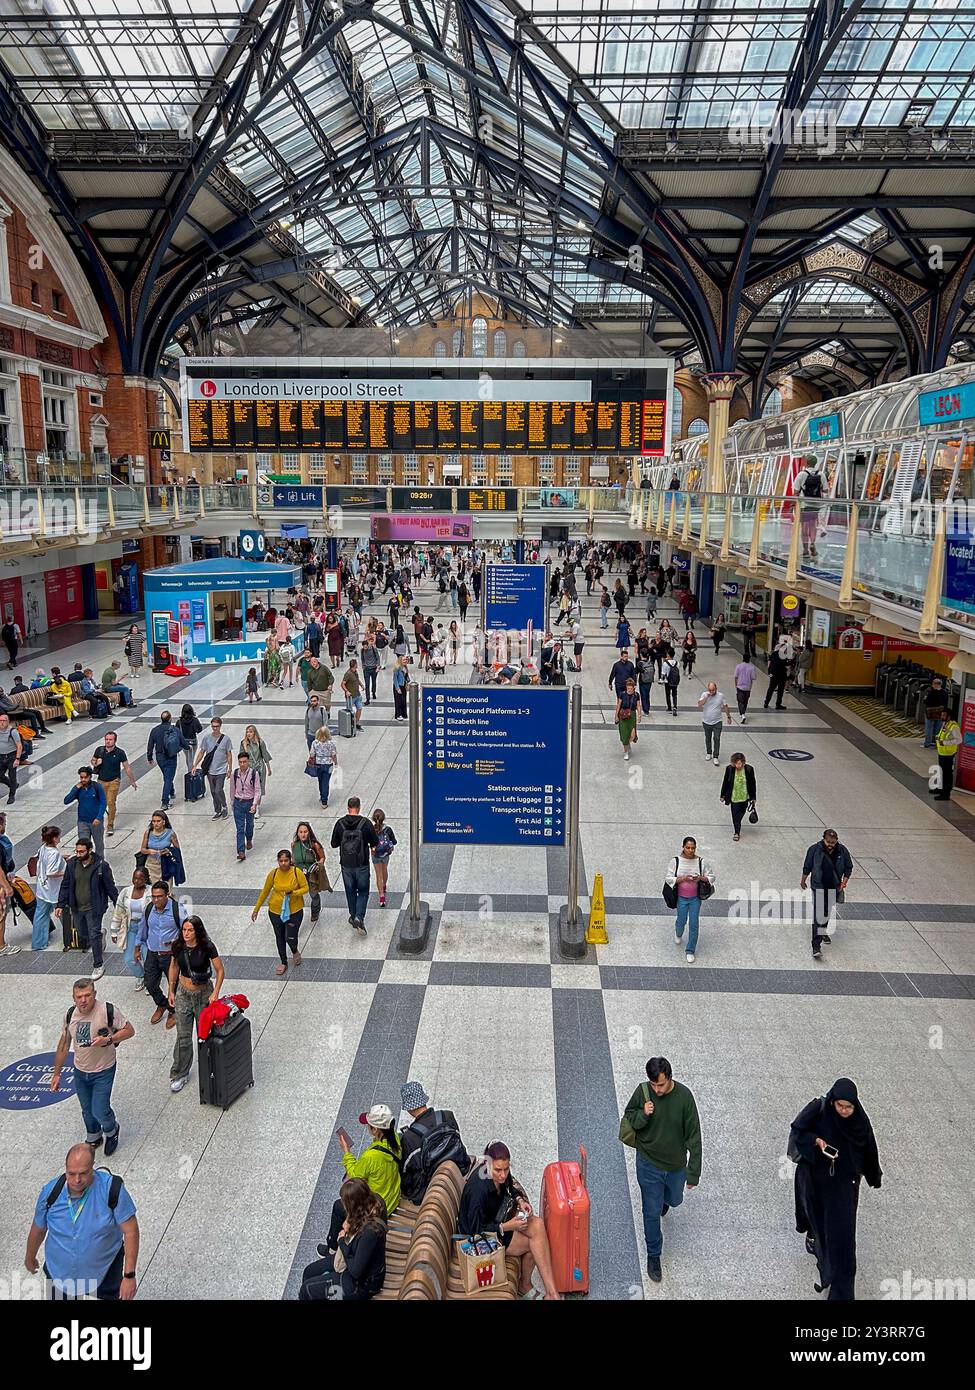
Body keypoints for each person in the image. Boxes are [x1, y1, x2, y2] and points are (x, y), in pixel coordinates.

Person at [789, 1078, 882, 1300]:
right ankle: (814, 1239)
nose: (843, 1110)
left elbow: (869, 1148)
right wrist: (817, 1141)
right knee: (816, 1217)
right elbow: (798, 1131)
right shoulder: (819, 1109)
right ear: (832, 1102)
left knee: (843, 1239)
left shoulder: (860, 1123)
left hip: (844, 1187)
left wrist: (873, 1175)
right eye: (840, 1105)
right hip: (815, 1180)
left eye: (848, 1106)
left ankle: (841, 1292)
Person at [622, 1056, 702, 1284]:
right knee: (651, 1210)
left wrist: (693, 1171)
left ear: (670, 1077)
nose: (657, 1090)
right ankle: (654, 1255)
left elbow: (694, 1136)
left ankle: (666, 1201)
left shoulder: (684, 1098)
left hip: (675, 1166)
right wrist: (643, 1114)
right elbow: (630, 1120)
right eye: (653, 1084)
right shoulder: (643, 1092)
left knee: (675, 1199)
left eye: (661, 1084)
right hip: (648, 1162)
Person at [26, 1144, 139, 1301]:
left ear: (93, 1168)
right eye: (71, 1174)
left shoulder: (111, 1190)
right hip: (60, 1273)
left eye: (83, 1173)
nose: (77, 1180)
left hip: (104, 1272)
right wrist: (30, 1256)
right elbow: (38, 1228)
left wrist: (129, 1276)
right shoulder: (50, 1193)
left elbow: (131, 1231)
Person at [458, 1141, 562, 1300]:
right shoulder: (478, 1190)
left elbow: (510, 1187)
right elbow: (476, 1230)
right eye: (498, 1170)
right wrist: (507, 1226)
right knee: (535, 1245)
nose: (503, 1174)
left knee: (538, 1225)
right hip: (481, 1236)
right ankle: (528, 1287)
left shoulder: (499, 1174)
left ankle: (551, 1293)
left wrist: (520, 1200)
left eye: (506, 1169)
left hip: (497, 1220)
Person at [50, 977, 134, 1155]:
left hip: (104, 1070)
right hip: (80, 1071)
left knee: (99, 1109)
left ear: (94, 994)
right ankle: (94, 1135)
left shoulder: (107, 1010)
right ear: (73, 998)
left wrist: (109, 1039)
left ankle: (112, 1130)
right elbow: (64, 1044)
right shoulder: (70, 1015)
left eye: (87, 995)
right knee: (87, 1110)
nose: (83, 1000)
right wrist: (56, 1074)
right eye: (79, 996)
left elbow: (129, 1030)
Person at [299, 1178, 388, 1302]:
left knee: (306, 1290)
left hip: (362, 1285)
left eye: (346, 1204)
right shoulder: (376, 1201)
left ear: (354, 1206)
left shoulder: (370, 1233)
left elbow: (355, 1272)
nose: (344, 1207)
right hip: (355, 1259)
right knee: (309, 1272)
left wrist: (341, 1240)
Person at [326, 1104, 402, 1247]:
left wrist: (346, 1152)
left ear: (375, 1129)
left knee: (338, 1206)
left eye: (369, 1125)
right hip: (392, 1197)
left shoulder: (371, 1156)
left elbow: (354, 1177)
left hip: (379, 1207)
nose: (367, 1127)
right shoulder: (395, 1140)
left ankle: (332, 1246)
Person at [167, 915, 224, 1091]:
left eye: (190, 930)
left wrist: (215, 993)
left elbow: (220, 970)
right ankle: (180, 1073)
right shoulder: (178, 946)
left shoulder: (207, 946)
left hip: (203, 994)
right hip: (183, 994)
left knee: (204, 1034)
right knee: (183, 1036)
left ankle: (211, 1070)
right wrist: (171, 989)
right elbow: (174, 966)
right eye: (184, 929)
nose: (186, 933)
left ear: (197, 931)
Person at [56, 839, 118, 982]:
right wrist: (60, 904)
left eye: (81, 851)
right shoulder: (72, 864)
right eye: (76, 851)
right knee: (83, 933)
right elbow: (66, 885)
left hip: (94, 908)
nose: (78, 854)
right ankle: (100, 935)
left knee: (93, 933)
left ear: (90, 850)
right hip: (77, 907)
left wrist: (118, 904)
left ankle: (98, 965)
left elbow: (110, 887)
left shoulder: (101, 866)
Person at [399, 1081, 468, 1204]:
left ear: (409, 1108)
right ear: (424, 1099)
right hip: (457, 1169)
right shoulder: (447, 1115)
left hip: (431, 1187)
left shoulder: (409, 1137)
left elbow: (407, 1173)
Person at [133, 879, 182, 1025]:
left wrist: (176, 942)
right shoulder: (149, 909)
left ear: (167, 895)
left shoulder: (177, 909)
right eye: (153, 896)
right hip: (153, 953)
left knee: (174, 985)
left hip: (171, 955)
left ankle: (174, 1011)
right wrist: (137, 948)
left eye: (159, 896)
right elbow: (142, 929)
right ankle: (162, 1004)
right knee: (150, 983)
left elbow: (187, 930)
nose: (156, 900)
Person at [252, 849, 308, 976]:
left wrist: (293, 893)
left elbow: (305, 888)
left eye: (286, 860)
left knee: (290, 937)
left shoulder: (296, 872)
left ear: (290, 861)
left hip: (294, 911)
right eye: (281, 861)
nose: (283, 863)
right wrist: (256, 909)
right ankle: (283, 961)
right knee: (280, 936)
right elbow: (265, 892)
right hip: (275, 911)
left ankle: (294, 950)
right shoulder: (273, 874)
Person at [801, 828, 853, 960]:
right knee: (819, 916)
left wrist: (844, 882)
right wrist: (803, 880)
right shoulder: (814, 849)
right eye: (829, 841)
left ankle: (823, 931)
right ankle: (816, 946)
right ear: (823, 839)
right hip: (818, 886)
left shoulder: (842, 850)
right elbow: (807, 866)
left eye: (833, 842)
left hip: (833, 887)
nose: (831, 844)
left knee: (827, 911)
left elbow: (848, 867)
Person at [330, 795, 379, 936]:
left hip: (346, 865)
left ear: (348, 808)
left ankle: (353, 916)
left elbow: (333, 844)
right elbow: (374, 842)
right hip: (362, 864)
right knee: (363, 891)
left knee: (350, 891)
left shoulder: (340, 823)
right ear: (359, 807)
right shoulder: (365, 824)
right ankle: (359, 917)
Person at [665, 836, 714, 964]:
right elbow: (669, 878)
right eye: (688, 847)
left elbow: (712, 877)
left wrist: (701, 878)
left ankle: (690, 950)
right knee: (681, 920)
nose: (690, 850)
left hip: (695, 899)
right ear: (683, 847)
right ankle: (678, 932)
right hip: (681, 897)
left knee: (694, 923)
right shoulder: (675, 861)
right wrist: (683, 878)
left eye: (693, 848)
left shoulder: (701, 862)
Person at [91, 731, 137, 838]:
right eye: (106, 739)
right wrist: (96, 762)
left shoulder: (120, 752)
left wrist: (132, 781)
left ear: (115, 741)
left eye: (110, 739)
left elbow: (127, 767)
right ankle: (98, 821)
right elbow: (92, 760)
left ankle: (110, 825)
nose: (108, 741)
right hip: (101, 780)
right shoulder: (99, 750)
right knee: (99, 802)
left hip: (114, 781)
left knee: (111, 802)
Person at [110, 867, 150, 990]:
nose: (137, 881)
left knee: (148, 957)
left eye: (140, 879)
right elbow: (119, 911)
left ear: (146, 879)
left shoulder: (151, 892)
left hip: (147, 930)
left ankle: (150, 982)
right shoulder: (126, 892)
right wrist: (114, 930)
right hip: (131, 928)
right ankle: (141, 976)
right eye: (135, 878)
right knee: (129, 958)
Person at [146, 711, 188, 811]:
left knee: (167, 775)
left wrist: (150, 757)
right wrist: (188, 747)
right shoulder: (175, 730)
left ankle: (172, 792)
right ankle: (165, 802)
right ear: (170, 719)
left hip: (160, 757)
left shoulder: (154, 730)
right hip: (171, 757)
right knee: (168, 778)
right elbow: (183, 742)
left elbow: (150, 745)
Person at [33, 824, 65, 951]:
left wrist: (63, 858)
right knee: (64, 916)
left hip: (42, 888)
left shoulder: (43, 848)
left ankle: (38, 943)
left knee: (40, 916)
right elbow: (51, 872)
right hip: (54, 891)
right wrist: (66, 872)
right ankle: (72, 939)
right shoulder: (54, 853)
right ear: (55, 838)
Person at [63, 766, 108, 859]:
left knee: (99, 844)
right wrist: (75, 788)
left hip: (96, 821)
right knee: (84, 844)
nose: (83, 780)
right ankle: (85, 861)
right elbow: (66, 800)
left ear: (90, 777)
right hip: (82, 822)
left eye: (85, 777)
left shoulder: (97, 787)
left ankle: (100, 862)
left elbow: (103, 803)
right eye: (81, 777)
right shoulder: (78, 789)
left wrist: (99, 817)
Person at [292, 821, 327, 924]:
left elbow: (322, 857)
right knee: (295, 894)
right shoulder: (294, 845)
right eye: (301, 832)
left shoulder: (314, 845)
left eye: (305, 831)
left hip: (312, 874)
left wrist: (318, 865)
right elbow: (294, 859)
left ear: (309, 832)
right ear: (297, 833)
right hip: (299, 874)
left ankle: (315, 912)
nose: (303, 834)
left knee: (314, 894)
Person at [231, 752, 261, 861]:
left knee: (249, 824)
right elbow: (232, 789)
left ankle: (249, 839)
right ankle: (241, 851)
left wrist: (254, 804)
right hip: (238, 802)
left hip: (249, 802)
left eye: (244, 762)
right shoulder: (235, 774)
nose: (242, 764)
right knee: (240, 828)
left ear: (248, 762)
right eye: (240, 762)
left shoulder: (254, 774)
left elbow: (257, 790)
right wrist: (232, 803)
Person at [720, 753, 757, 841]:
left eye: (740, 763)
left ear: (743, 763)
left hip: (744, 796)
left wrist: (753, 797)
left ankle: (737, 823)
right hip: (734, 796)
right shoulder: (729, 769)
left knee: (741, 813)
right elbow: (725, 782)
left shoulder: (749, 769)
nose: (738, 765)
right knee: (735, 815)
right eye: (736, 763)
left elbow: (752, 784)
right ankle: (737, 832)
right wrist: (722, 795)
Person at [139, 810, 180, 887]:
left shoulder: (171, 833)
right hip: (151, 865)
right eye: (153, 821)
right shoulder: (148, 833)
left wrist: (168, 851)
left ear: (164, 822)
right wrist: (149, 851)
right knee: (154, 889)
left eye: (158, 821)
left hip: (166, 865)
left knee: (167, 890)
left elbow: (177, 849)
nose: (155, 823)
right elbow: (142, 849)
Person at [794, 453, 825, 556]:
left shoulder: (801, 474)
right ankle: (812, 544)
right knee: (813, 525)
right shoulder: (821, 474)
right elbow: (825, 489)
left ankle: (805, 549)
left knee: (804, 527)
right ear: (815, 463)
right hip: (816, 505)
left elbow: (795, 491)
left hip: (804, 505)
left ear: (806, 463)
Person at [697, 682, 732, 766]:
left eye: (713, 690)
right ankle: (709, 753)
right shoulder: (704, 694)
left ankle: (716, 756)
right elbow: (699, 704)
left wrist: (728, 716)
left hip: (717, 721)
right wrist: (706, 698)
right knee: (707, 737)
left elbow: (725, 706)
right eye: (710, 690)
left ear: (716, 689)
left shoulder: (721, 696)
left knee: (717, 738)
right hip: (706, 721)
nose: (712, 692)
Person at [932, 710, 962, 801]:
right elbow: (943, 734)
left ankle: (946, 794)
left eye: (944, 715)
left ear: (949, 716)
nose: (942, 717)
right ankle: (940, 789)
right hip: (942, 752)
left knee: (947, 774)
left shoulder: (954, 727)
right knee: (941, 772)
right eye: (942, 715)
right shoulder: (945, 723)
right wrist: (938, 737)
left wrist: (945, 743)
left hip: (948, 753)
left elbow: (959, 740)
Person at [370, 808, 397, 908]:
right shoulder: (388, 829)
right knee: (384, 869)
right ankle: (384, 886)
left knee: (378, 874)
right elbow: (394, 841)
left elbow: (368, 842)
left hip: (375, 854)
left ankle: (381, 896)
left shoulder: (371, 829)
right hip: (385, 854)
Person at [239, 723, 272, 803]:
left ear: (254, 733)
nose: (248, 734)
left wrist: (269, 768)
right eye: (247, 732)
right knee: (249, 787)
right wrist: (241, 769)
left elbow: (265, 755)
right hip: (249, 767)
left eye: (250, 732)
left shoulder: (260, 743)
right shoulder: (243, 743)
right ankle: (252, 804)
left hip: (260, 766)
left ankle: (256, 807)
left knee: (258, 788)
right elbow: (241, 758)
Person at [0, 712, 24, 804]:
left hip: (11, 756)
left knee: (12, 775)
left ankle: (11, 795)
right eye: (0, 721)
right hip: (1, 757)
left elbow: (19, 745)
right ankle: (12, 785)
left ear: (8, 721)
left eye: (4, 721)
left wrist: (17, 759)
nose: (2, 723)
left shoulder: (12, 732)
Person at [615, 676, 640, 762]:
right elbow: (619, 704)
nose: (629, 690)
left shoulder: (636, 695)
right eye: (628, 688)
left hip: (632, 715)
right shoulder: (622, 694)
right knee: (624, 734)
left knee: (633, 735)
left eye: (631, 688)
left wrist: (639, 715)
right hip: (623, 715)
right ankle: (626, 751)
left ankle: (628, 743)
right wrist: (616, 715)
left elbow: (638, 706)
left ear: (634, 688)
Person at [921, 676, 947, 749]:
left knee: (929, 728)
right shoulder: (944, 692)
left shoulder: (931, 692)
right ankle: (935, 743)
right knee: (938, 729)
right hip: (940, 713)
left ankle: (927, 743)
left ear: (934, 684)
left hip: (930, 713)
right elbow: (945, 703)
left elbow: (927, 701)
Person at [177, 703, 202, 772]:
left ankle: (190, 771)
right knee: (191, 758)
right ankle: (191, 772)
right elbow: (200, 729)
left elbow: (177, 731)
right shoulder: (195, 720)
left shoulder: (179, 722)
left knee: (188, 758)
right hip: (193, 742)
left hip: (184, 743)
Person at [733, 654, 757, 724]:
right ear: (749, 659)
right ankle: (743, 713)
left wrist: (736, 686)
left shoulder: (738, 666)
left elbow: (736, 677)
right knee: (745, 701)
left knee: (740, 701)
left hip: (740, 686)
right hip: (748, 687)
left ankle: (742, 714)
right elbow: (754, 677)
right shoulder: (751, 668)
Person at [341, 659, 364, 730]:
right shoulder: (348, 674)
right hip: (351, 697)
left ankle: (356, 723)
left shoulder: (355, 672)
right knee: (350, 711)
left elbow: (357, 679)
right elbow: (342, 684)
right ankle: (350, 724)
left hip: (357, 694)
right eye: (356, 664)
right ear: (355, 665)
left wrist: (361, 685)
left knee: (359, 708)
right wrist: (346, 691)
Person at [360, 636, 380, 703]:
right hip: (366, 669)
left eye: (366, 647)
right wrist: (363, 666)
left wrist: (378, 666)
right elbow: (362, 659)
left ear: (367, 645)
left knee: (374, 682)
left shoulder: (373, 649)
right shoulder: (362, 650)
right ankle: (367, 698)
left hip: (374, 668)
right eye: (364, 647)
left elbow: (378, 658)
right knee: (367, 684)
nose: (365, 648)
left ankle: (373, 692)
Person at [661, 648, 680, 715]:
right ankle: (675, 706)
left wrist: (661, 680)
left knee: (668, 694)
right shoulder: (677, 663)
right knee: (674, 694)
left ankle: (669, 707)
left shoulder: (665, 663)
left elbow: (663, 673)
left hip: (668, 681)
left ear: (668, 655)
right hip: (675, 681)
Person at [392, 653, 410, 720]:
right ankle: (398, 715)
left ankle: (403, 713)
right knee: (398, 701)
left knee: (403, 700)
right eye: (404, 660)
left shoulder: (405, 667)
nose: (405, 661)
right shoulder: (397, 668)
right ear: (400, 661)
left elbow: (406, 676)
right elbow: (395, 679)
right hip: (398, 686)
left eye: (405, 660)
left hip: (403, 685)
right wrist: (397, 688)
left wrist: (408, 681)